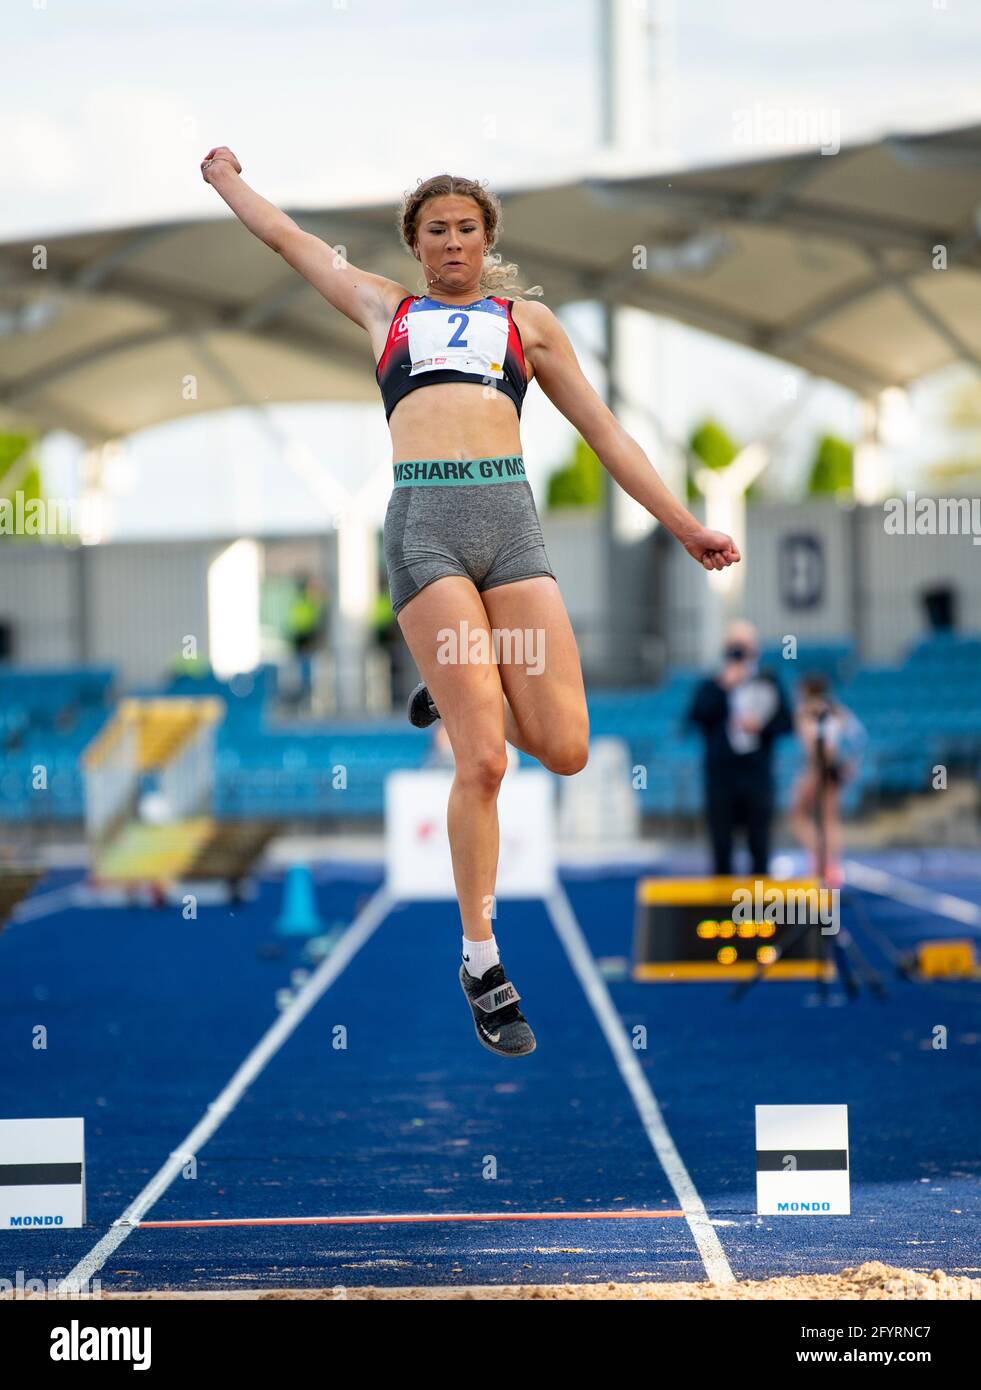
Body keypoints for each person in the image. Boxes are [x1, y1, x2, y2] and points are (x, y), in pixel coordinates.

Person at [203, 152, 740, 1057]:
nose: (450, 242)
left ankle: (454, 689)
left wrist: (685, 525)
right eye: (433, 230)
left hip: (512, 530)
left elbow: (604, 433)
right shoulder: (387, 309)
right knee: (484, 759)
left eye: (464, 228)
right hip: (427, 529)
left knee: (566, 749)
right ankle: (482, 960)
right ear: (413, 246)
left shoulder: (525, 325)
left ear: (487, 239)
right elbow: (288, 240)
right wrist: (226, 181)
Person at [687, 620, 791, 876]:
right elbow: (697, 716)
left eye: (744, 647)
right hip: (721, 777)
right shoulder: (711, 684)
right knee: (721, 846)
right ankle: (723, 911)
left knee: (759, 844)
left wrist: (761, 726)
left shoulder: (768, 682)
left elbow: (786, 722)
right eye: (734, 646)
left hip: (756, 776)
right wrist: (724, 687)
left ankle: (759, 910)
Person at [789, 673, 865, 888]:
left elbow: (812, 744)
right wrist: (850, 764)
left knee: (799, 815)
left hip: (818, 767)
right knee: (829, 819)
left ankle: (821, 862)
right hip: (832, 767)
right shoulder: (837, 710)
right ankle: (832, 867)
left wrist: (821, 764)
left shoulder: (806, 712)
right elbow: (859, 737)